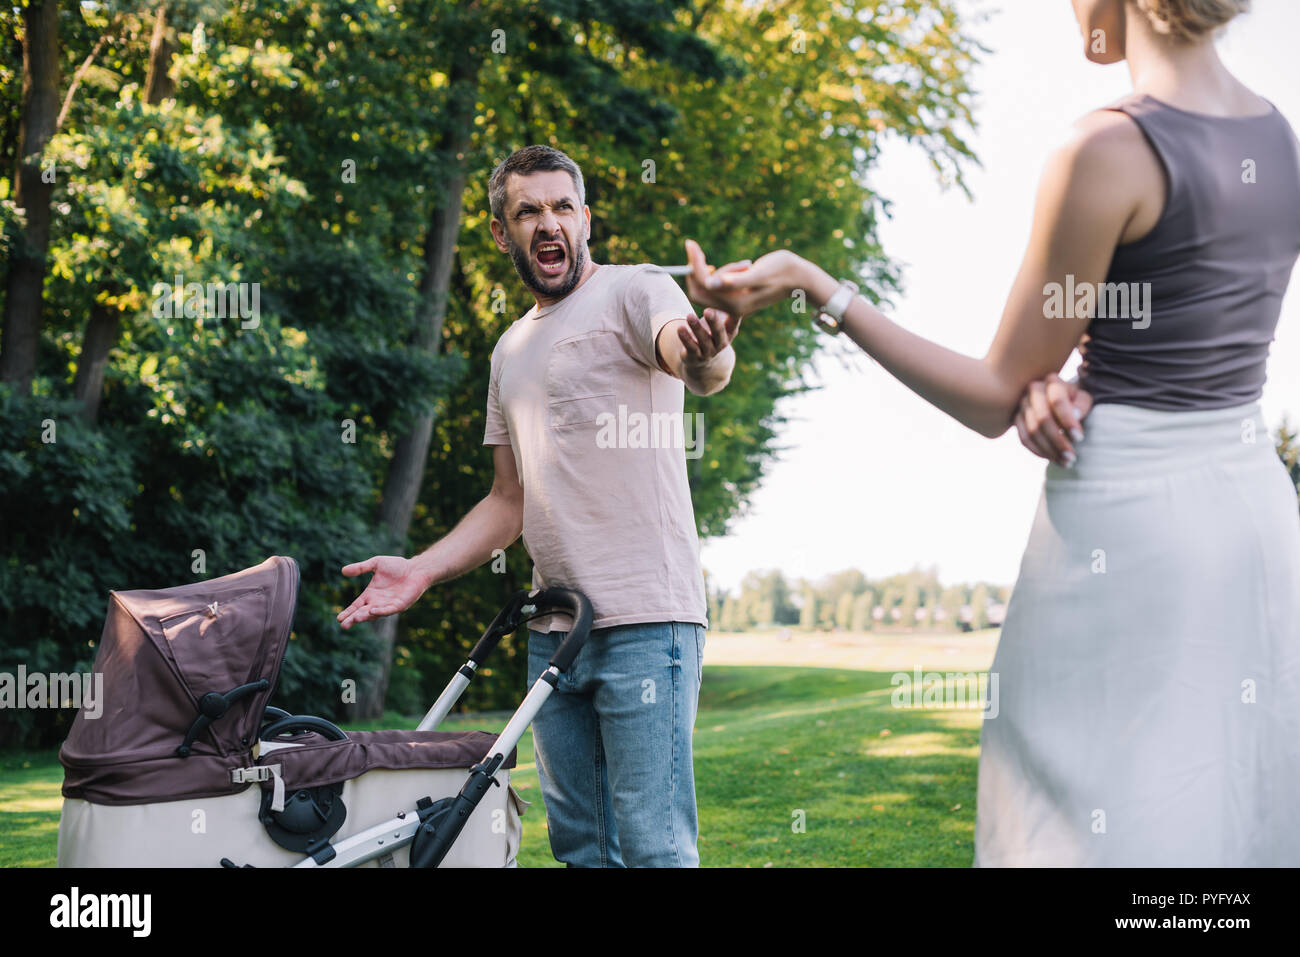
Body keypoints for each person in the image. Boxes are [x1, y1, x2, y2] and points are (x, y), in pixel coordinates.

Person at [681, 0, 1300, 865]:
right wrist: (1065, 384)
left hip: (1129, 526)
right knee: (1227, 804)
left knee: (1089, 817)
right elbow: (1180, 349)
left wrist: (817, 287)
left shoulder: (1105, 148)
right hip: (1256, 519)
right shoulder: (1276, 139)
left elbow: (990, 397)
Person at [337, 145, 743, 867]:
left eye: (562, 207)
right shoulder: (509, 350)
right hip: (554, 630)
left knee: (655, 849)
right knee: (580, 849)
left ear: (585, 219)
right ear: (503, 232)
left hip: (646, 620)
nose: (548, 223)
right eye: (529, 211)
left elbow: (696, 363)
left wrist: (708, 354)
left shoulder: (637, 289)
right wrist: (421, 569)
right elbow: (508, 498)